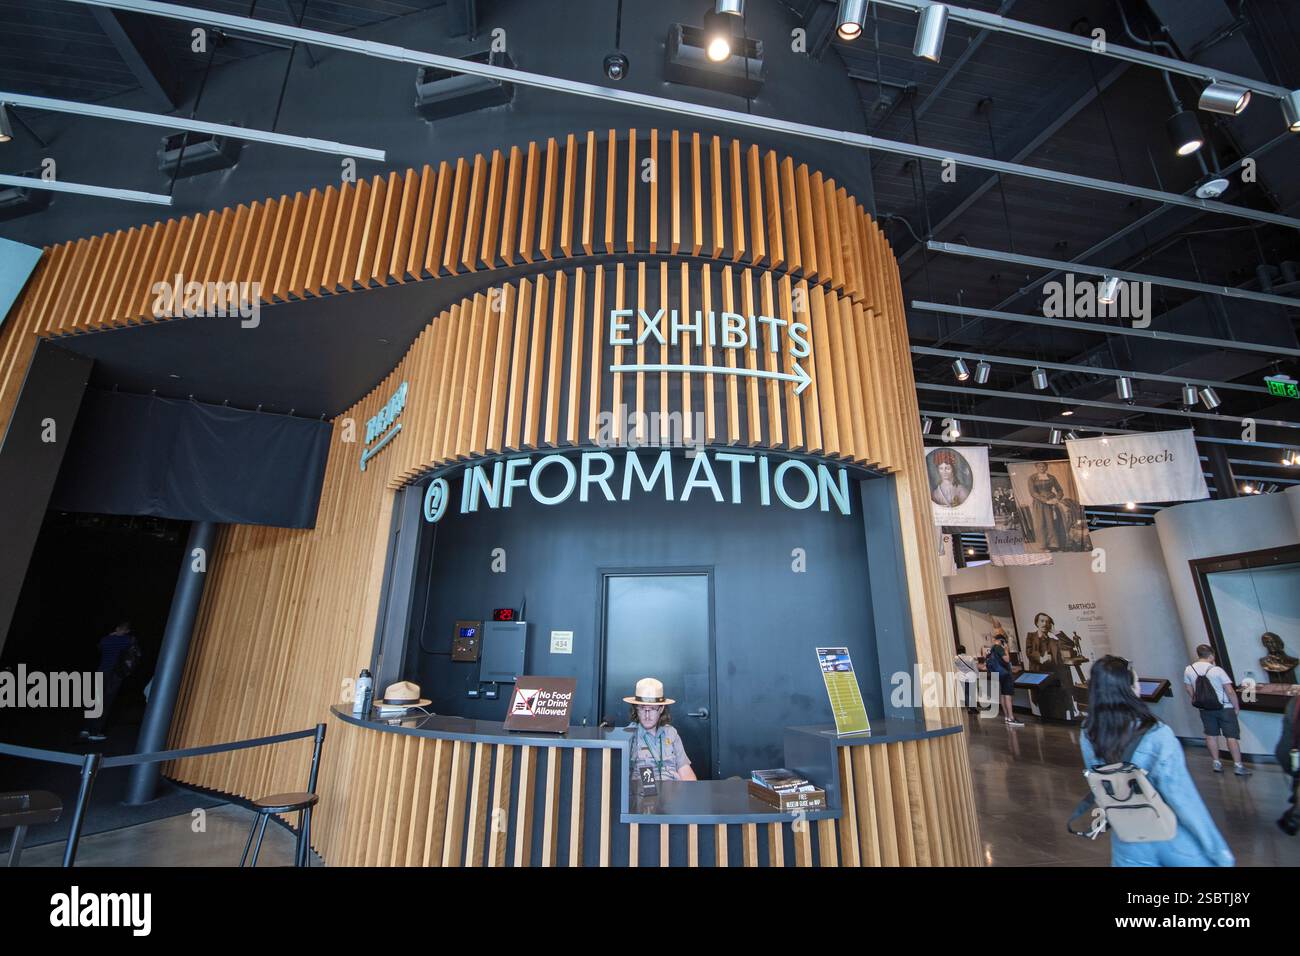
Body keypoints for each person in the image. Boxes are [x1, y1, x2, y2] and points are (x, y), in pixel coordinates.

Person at [1081, 655, 1234, 867]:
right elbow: (1181, 796)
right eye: (1136, 682)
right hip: (1168, 834)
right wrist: (1217, 850)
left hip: (1127, 836)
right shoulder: (1156, 733)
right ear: (1129, 688)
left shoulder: (1088, 733)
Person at [1183, 644, 1251, 776]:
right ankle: (1238, 765)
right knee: (1231, 737)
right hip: (1224, 707)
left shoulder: (1189, 669)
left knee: (1210, 735)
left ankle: (1216, 763)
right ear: (1211, 655)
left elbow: (1188, 688)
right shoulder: (1217, 670)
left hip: (1205, 708)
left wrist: (1195, 699)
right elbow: (1230, 691)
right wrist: (1236, 706)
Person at [623, 677, 696, 783]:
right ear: (636, 709)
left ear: (661, 709)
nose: (647, 715)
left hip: (673, 793)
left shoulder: (671, 733)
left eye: (652, 709)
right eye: (642, 708)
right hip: (642, 795)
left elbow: (685, 771)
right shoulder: (628, 735)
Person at [80, 621, 141, 742]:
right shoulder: (128, 640)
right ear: (127, 631)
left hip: (101, 671)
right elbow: (136, 653)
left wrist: (111, 635)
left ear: (117, 628)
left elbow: (100, 647)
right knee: (106, 703)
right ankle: (95, 732)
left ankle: (85, 729)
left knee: (95, 701)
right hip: (114, 674)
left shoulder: (105, 640)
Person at [1027, 462, 1070, 551]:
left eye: (1044, 466)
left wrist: (1056, 499)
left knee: (1053, 523)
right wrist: (1045, 500)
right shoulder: (1032, 478)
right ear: (1036, 467)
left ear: (1046, 467)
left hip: (1052, 502)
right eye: (1039, 466)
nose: (1042, 467)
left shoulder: (1051, 477)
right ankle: (1044, 545)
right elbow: (1033, 492)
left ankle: (1055, 544)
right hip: (1040, 503)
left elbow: (1060, 490)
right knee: (1042, 523)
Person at [986, 634, 1021, 726]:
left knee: (1002, 694)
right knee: (1008, 695)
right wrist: (1006, 649)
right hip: (1005, 674)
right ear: (1002, 641)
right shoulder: (999, 648)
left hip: (997, 674)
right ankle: (1011, 718)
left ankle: (1006, 716)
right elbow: (1006, 659)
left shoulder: (992, 649)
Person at [954, 644, 979, 714]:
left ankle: (968, 708)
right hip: (971, 677)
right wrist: (977, 676)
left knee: (966, 693)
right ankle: (973, 708)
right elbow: (975, 668)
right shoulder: (970, 658)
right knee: (972, 693)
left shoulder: (956, 658)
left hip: (962, 677)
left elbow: (954, 666)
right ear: (964, 650)